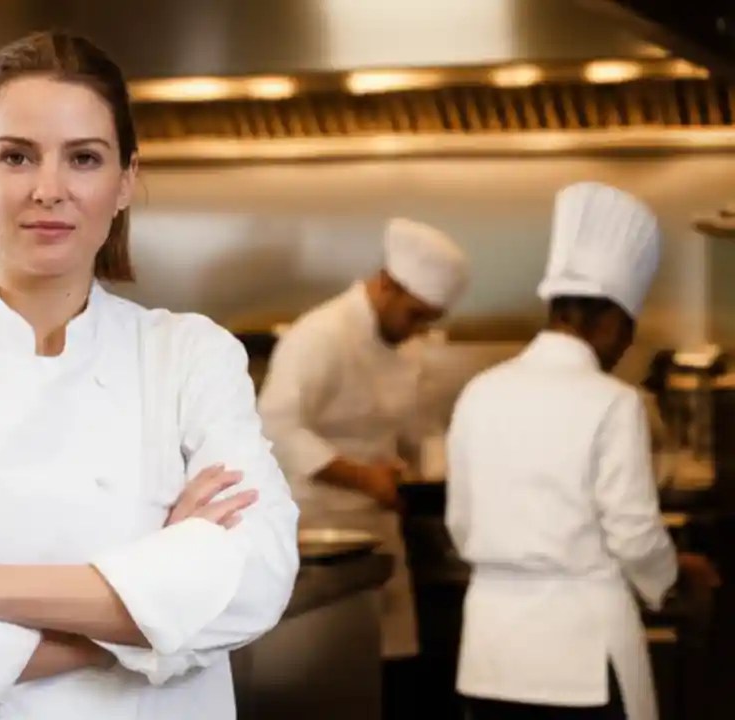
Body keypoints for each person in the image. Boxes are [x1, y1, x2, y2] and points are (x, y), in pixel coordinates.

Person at [0, 31, 299, 720]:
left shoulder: (193, 357)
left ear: (126, 180)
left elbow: (255, 582)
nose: (49, 189)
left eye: (84, 158)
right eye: (17, 156)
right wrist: (153, 614)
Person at [445, 181, 720, 720]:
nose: (623, 349)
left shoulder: (481, 390)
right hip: (580, 662)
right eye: (627, 333)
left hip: (490, 656)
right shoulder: (614, 401)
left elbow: (461, 522)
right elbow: (634, 533)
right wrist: (671, 577)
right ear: (614, 320)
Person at [256, 218, 469, 711]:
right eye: (415, 315)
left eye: (428, 320)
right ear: (389, 284)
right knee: (334, 673)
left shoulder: (407, 348)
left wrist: (439, 478)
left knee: (390, 674)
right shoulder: (320, 335)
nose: (419, 330)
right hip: (316, 533)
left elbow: (423, 431)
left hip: (380, 527)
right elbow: (276, 428)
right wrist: (362, 477)